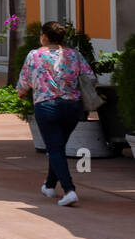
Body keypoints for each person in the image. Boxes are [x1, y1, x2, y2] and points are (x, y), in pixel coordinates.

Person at [16, 20, 94, 207]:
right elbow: (90, 77)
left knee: (55, 149)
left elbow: (24, 82)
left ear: (44, 36)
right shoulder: (74, 55)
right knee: (57, 146)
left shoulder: (34, 55)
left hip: (46, 106)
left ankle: (69, 190)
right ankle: (49, 186)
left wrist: (22, 92)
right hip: (72, 107)